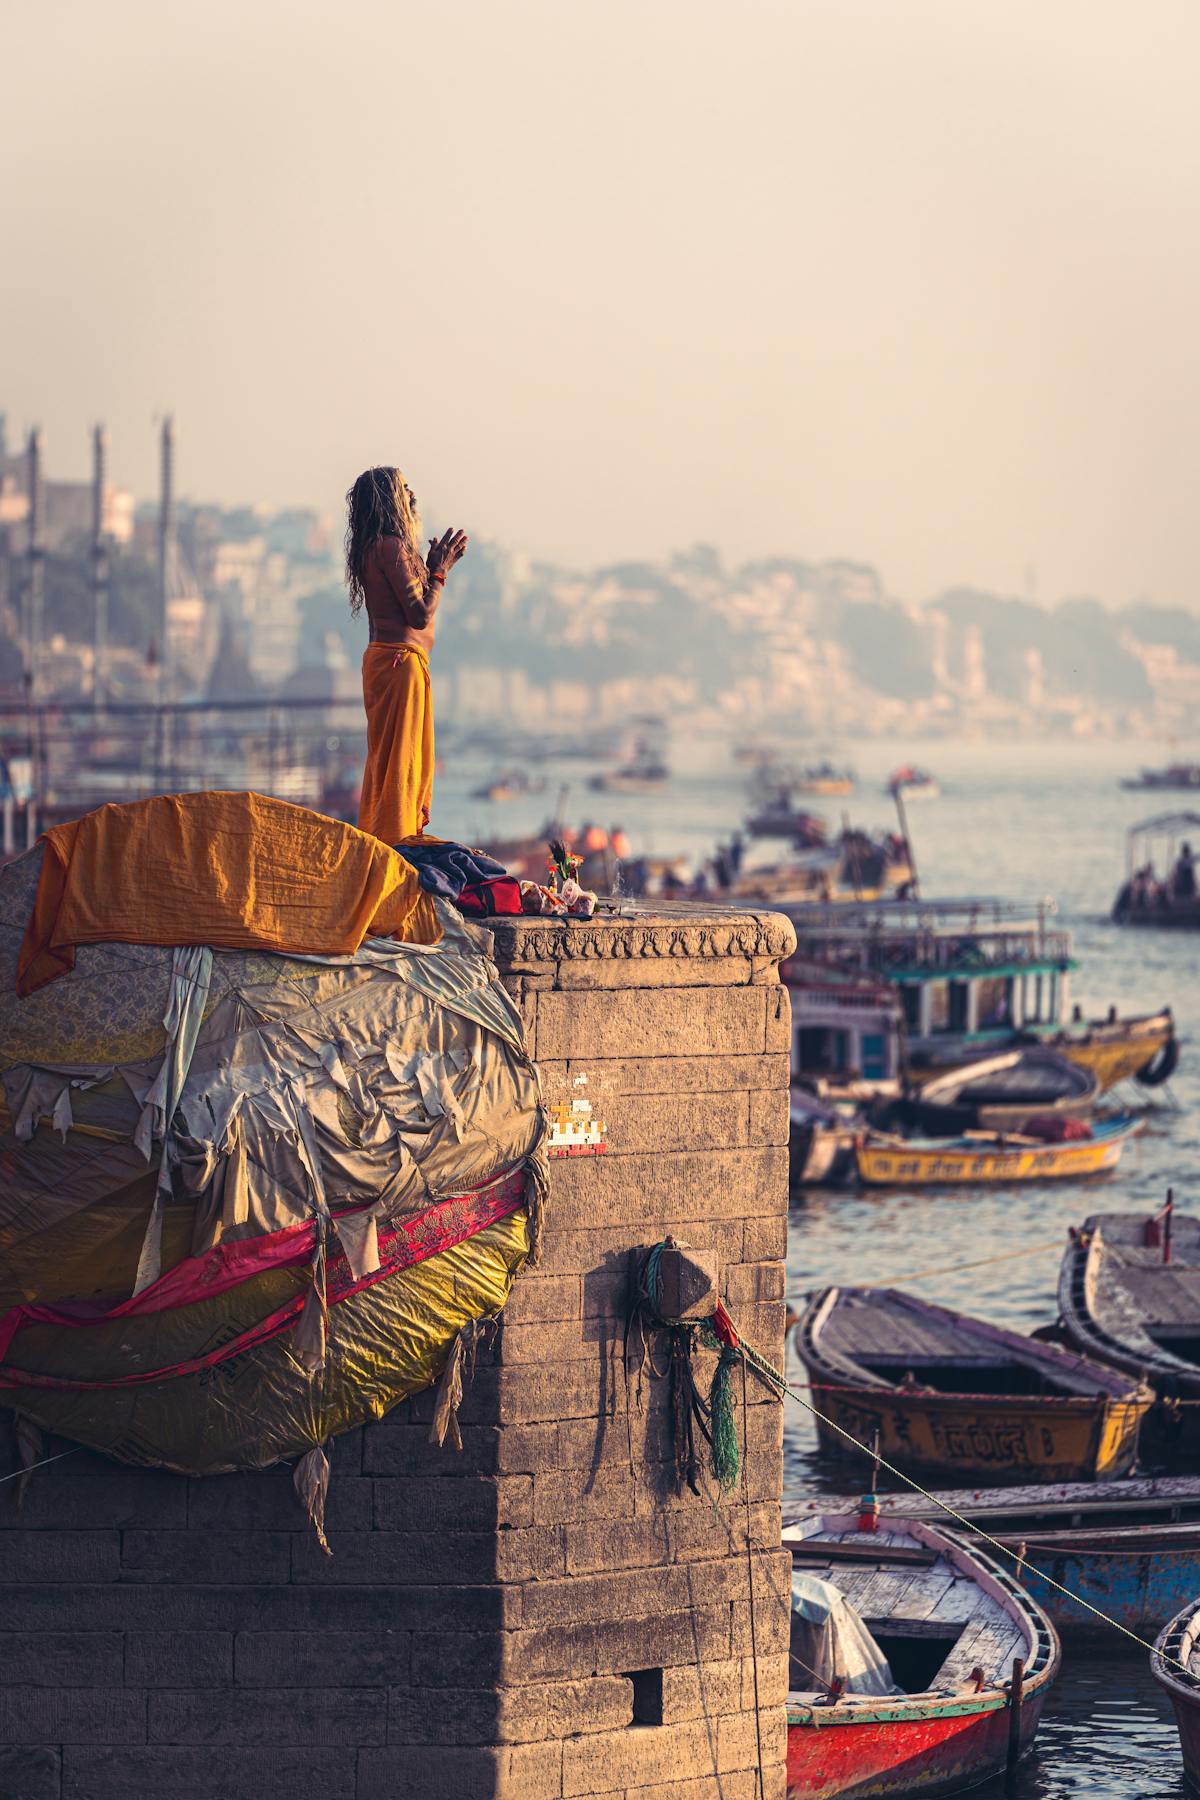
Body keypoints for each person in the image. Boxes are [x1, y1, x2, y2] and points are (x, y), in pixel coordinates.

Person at [345, 466, 467, 844]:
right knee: (400, 764)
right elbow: (419, 614)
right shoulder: (389, 547)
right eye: (404, 487)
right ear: (389, 499)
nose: (412, 493)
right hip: (400, 667)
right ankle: (396, 845)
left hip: (394, 665)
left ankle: (389, 841)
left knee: (393, 762)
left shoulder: (379, 548)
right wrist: (440, 572)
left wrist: (430, 569)